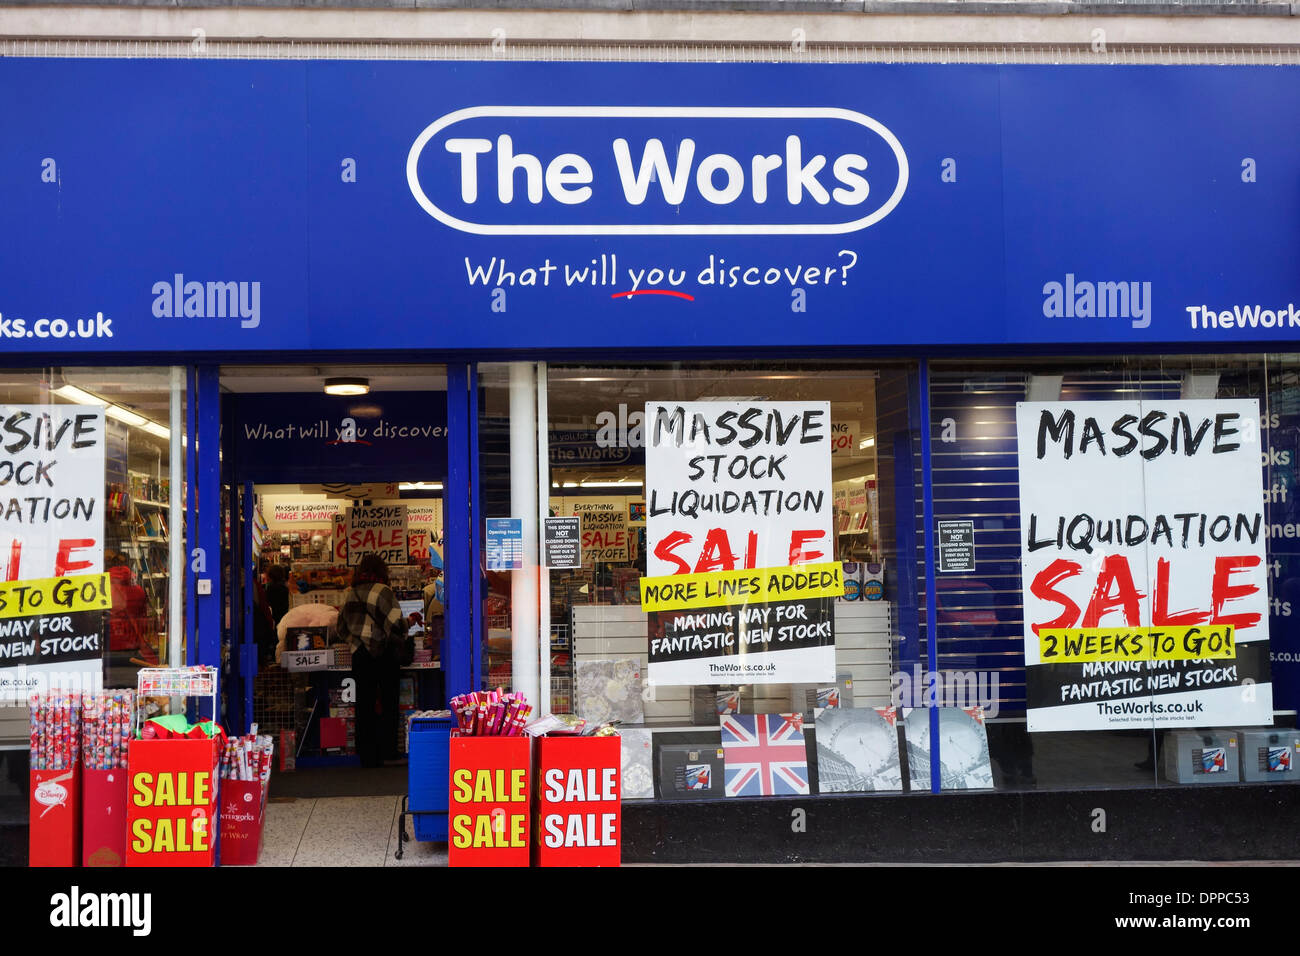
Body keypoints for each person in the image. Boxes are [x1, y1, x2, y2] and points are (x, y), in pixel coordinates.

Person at [334, 553, 409, 767]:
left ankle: (367, 755)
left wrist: (355, 641)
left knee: (364, 705)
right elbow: (395, 624)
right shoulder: (383, 591)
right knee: (389, 702)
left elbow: (341, 628)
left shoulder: (351, 594)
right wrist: (409, 623)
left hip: (360, 655)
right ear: (381, 570)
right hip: (384, 654)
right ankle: (388, 751)